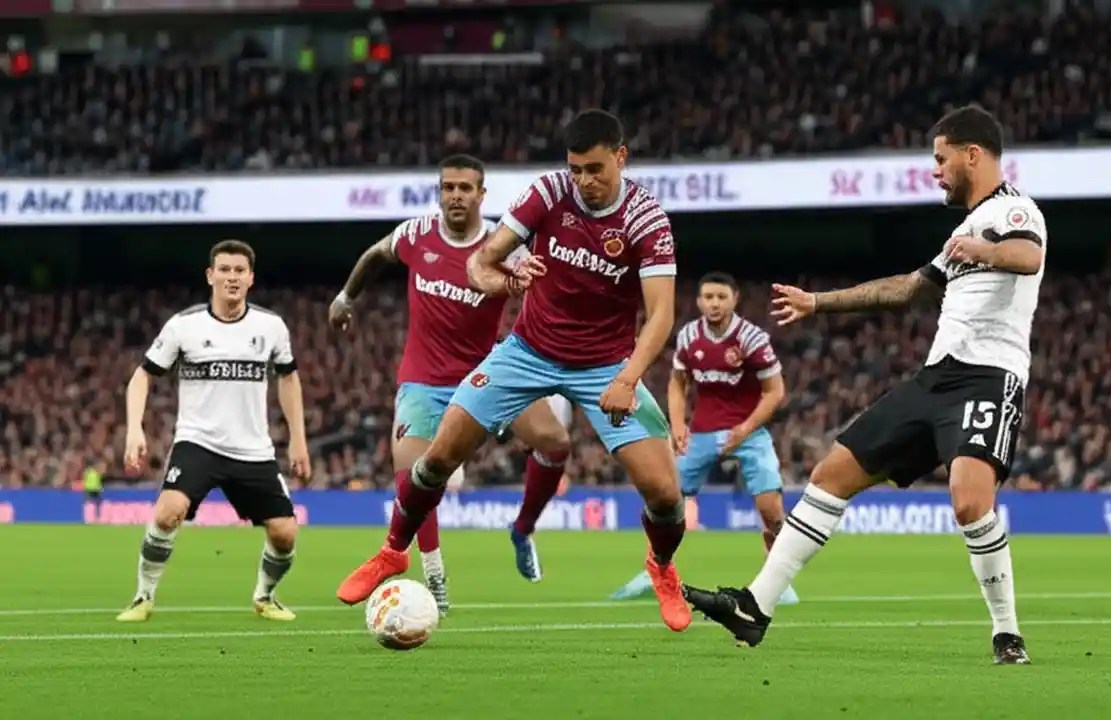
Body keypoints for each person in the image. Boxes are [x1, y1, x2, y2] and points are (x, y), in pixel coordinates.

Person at [684, 104, 1045, 665]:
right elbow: (905, 288)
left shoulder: (1015, 210)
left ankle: (1007, 633)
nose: (935, 171)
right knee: (831, 474)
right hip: (937, 377)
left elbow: (1029, 256)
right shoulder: (964, 227)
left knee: (970, 501)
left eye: (941, 159)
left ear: (973, 154)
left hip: (989, 377)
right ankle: (755, 606)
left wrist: (988, 251)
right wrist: (818, 303)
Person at [337, 109, 693, 632]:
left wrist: (626, 378)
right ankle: (393, 551)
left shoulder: (645, 219)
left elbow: (661, 314)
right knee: (436, 460)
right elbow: (480, 262)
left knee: (664, 495)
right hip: (525, 353)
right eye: (575, 169)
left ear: (621, 157)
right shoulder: (548, 194)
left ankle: (661, 568)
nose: (584, 182)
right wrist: (506, 279)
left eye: (595, 169)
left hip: (606, 365)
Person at [330, 155, 573, 611]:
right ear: (439, 192)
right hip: (423, 380)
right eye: (448, 187)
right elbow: (374, 255)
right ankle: (434, 576)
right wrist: (346, 298)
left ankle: (522, 529)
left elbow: (547, 291)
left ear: (482, 194)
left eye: (466, 188)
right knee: (413, 476)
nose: (456, 195)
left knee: (555, 442)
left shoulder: (506, 243)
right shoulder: (415, 234)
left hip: (488, 374)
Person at [117, 240, 310, 622]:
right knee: (169, 511)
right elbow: (142, 375)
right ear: (211, 276)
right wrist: (134, 429)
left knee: (285, 533)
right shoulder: (184, 326)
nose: (232, 278)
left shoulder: (270, 327)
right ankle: (143, 597)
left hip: (253, 449)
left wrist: (299, 439)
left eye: (240, 271)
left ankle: (265, 596)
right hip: (198, 442)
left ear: (251, 278)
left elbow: (289, 379)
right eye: (224, 270)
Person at [610, 272, 794, 604]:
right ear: (698, 302)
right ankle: (654, 570)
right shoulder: (689, 336)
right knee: (666, 500)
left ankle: (777, 578)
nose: (714, 303)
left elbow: (775, 391)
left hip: (749, 433)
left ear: (734, 299)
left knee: (772, 510)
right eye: (708, 297)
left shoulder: (752, 339)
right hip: (703, 432)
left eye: (721, 297)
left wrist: (745, 428)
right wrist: (677, 425)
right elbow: (678, 383)